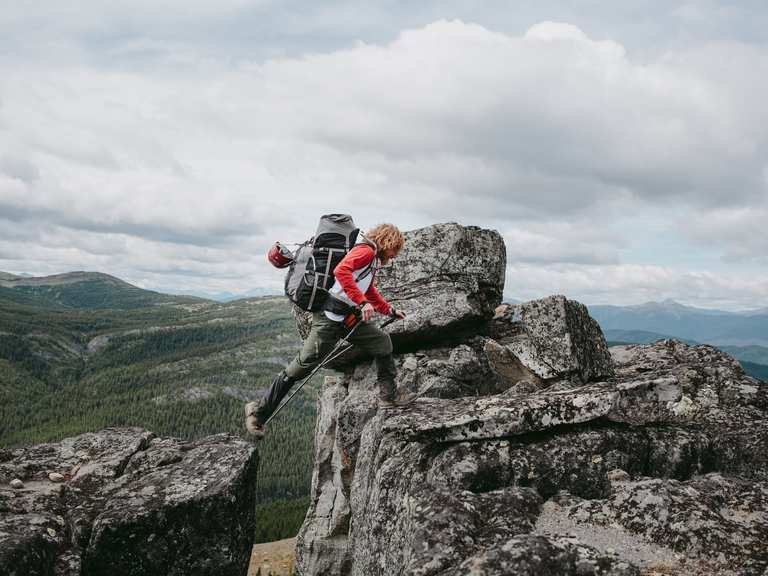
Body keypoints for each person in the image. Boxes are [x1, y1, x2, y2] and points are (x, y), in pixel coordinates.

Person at [245, 223, 406, 438]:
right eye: (395, 249)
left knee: (382, 342)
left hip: (347, 318)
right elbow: (341, 271)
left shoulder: (373, 260)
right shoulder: (366, 252)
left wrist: (389, 310)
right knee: (300, 368)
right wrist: (362, 302)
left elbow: (368, 290)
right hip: (329, 320)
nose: (394, 255)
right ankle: (257, 412)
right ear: (388, 242)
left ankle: (388, 397)